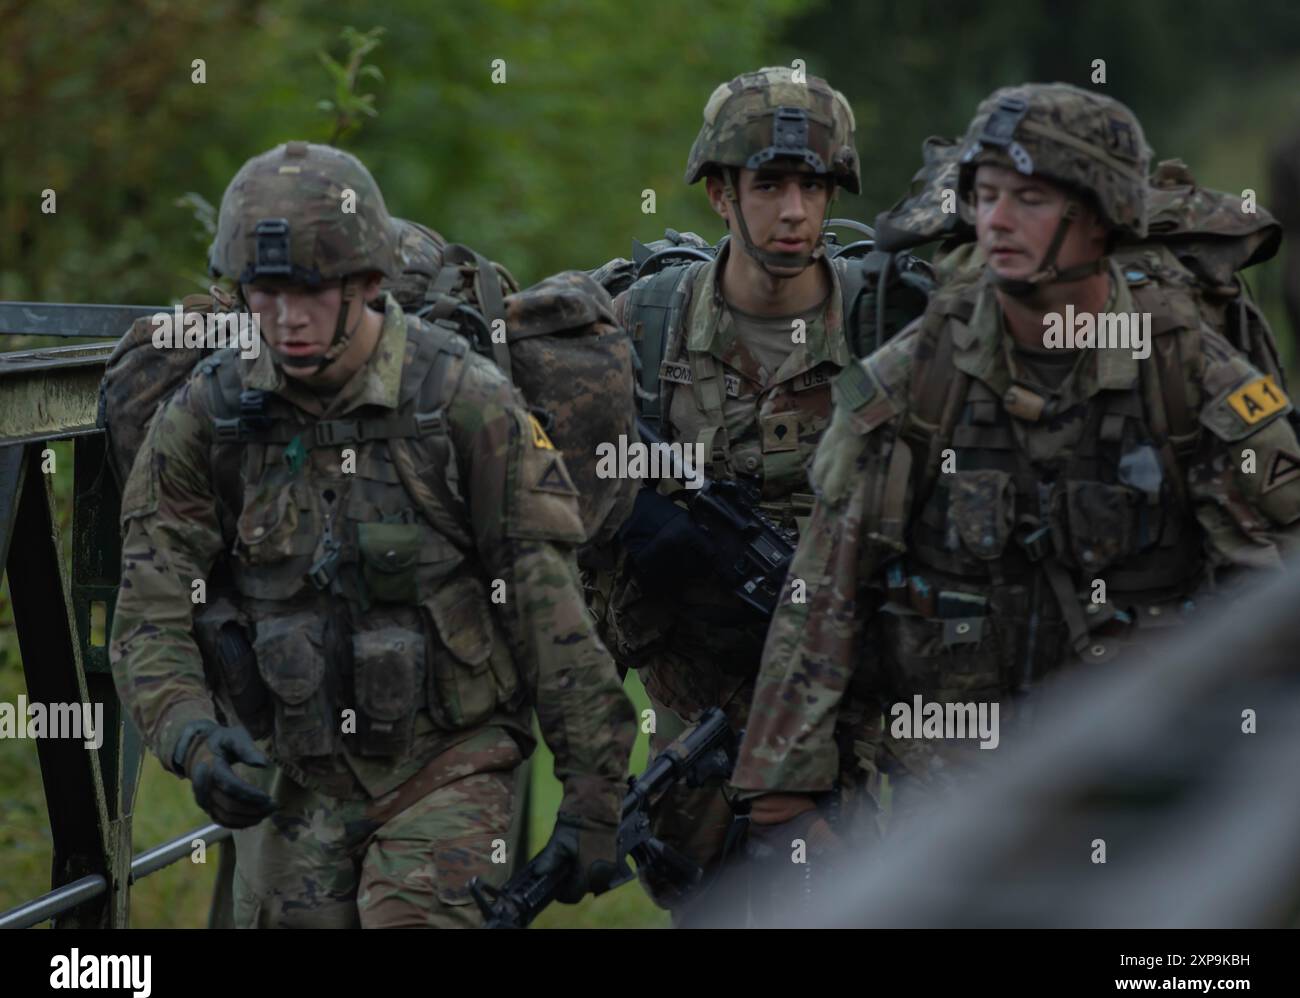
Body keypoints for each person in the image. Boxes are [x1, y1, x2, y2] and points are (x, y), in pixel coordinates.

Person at [730, 83, 1300, 874]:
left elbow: (1273, 601)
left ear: (1100, 215)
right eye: (986, 196)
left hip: (1147, 792)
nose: (996, 221)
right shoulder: (916, 377)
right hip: (956, 801)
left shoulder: (1189, 377)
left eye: (1029, 199)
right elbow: (825, 587)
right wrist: (785, 792)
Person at [109, 140, 635, 928]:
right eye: (265, 291)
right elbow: (150, 605)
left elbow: (548, 613)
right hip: (297, 774)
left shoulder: (464, 404)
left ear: (368, 282)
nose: (286, 319)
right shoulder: (207, 416)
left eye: (311, 290)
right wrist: (191, 735)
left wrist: (593, 794)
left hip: (451, 760)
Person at [597, 66, 869, 923]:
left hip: (844, 694)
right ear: (720, 193)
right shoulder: (646, 325)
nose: (794, 211)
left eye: (812, 186)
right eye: (769, 185)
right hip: (696, 690)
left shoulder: (886, 321)